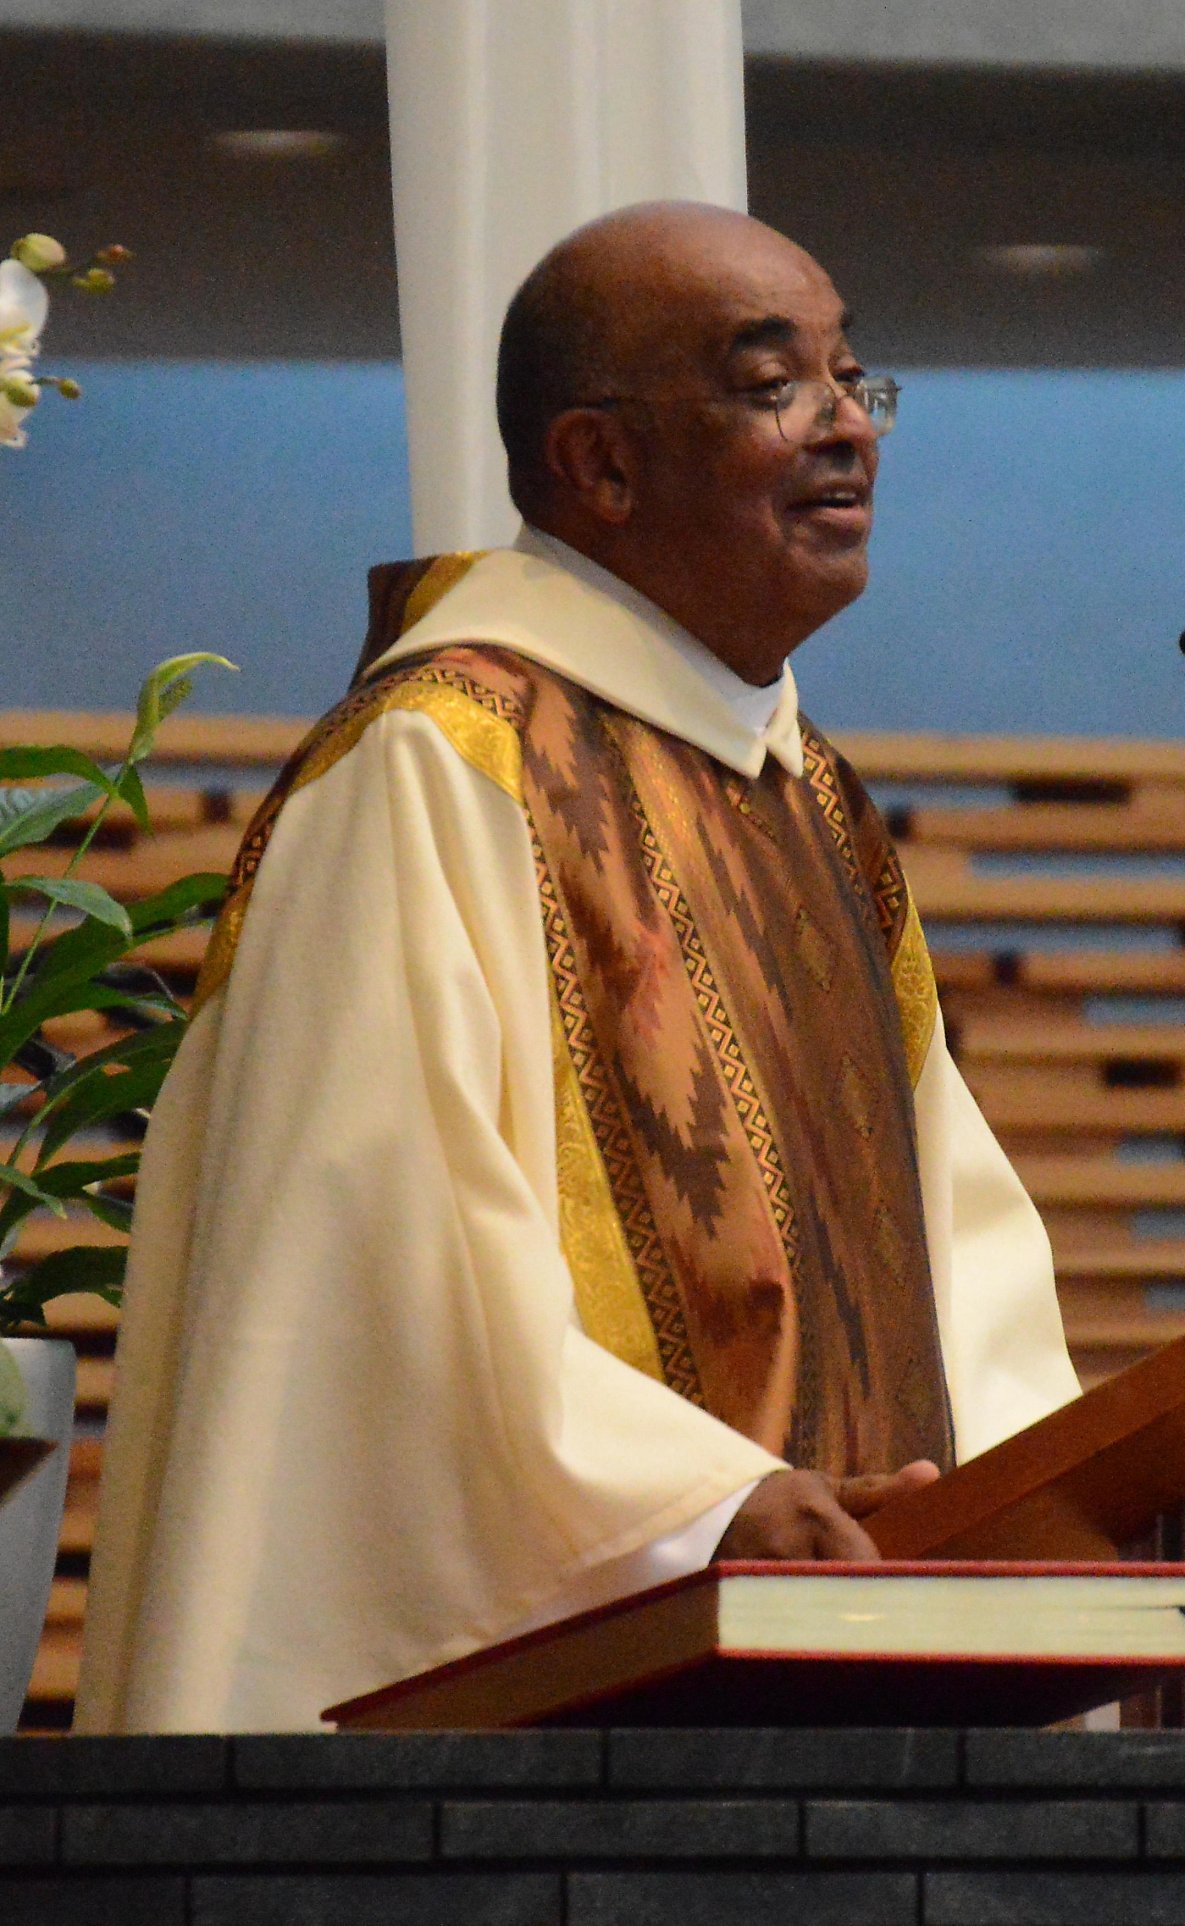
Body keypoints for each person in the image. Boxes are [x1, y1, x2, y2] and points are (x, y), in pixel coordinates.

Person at [75, 202, 1080, 1732]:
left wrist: (1033, 1490)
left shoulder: (815, 801)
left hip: (867, 1706)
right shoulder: (438, 764)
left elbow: (964, 1259)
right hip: (570, 1745)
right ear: (599, 463)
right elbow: (379, 1286)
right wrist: (706, 1507)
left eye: (853, 377)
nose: (847, 429)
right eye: (773, 385)